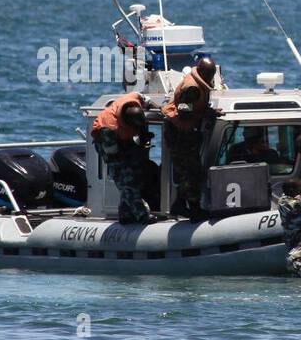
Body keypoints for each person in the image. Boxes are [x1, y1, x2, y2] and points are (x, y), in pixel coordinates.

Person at [162, 57, 219, 219]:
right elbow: (183, 109)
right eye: (208, 73)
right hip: (179, 132)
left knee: (190, 170)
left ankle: (179, 204)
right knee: (191, 171)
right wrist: (205, 113)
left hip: (185, 131)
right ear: (201, 72)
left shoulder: (197, 84)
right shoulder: (192, 87)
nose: (210, 77)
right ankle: (194, 208)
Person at [90, 91, 159, 224]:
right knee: (126, 181)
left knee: (137, 174)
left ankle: (125, 213)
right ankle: (142, 214)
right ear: (126, 122)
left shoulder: (133, 98)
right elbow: (114, 154)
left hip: (124, 141)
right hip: (110, 148)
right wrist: (133, 152)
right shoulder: (109, 127)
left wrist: (157, 108)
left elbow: (146, 99)